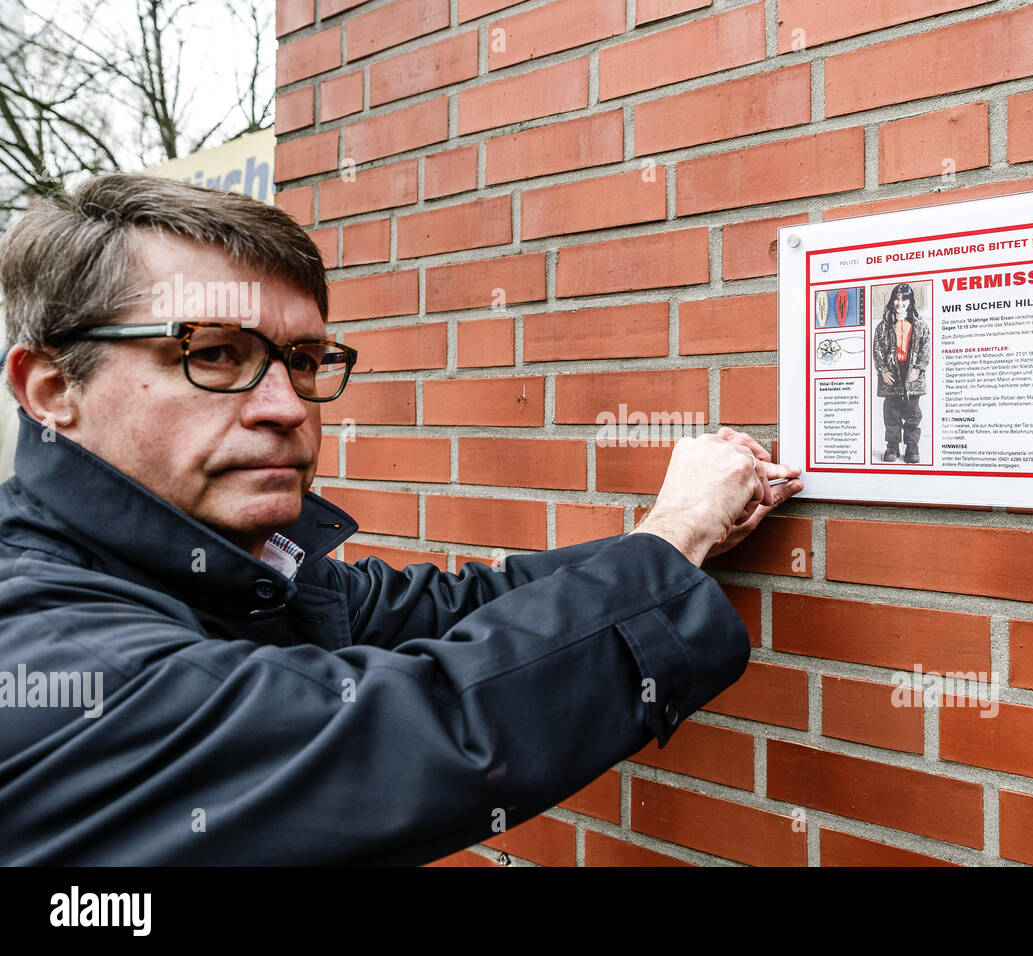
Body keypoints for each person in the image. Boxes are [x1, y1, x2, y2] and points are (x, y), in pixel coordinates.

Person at [0, 173, 802, 865]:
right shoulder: (47, 648)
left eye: (306, 362)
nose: (286, 407)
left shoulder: (230, 572)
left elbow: (456, 611)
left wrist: (671, 539)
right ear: (51, 390)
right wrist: (670, 541)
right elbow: (409, 730)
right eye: (213, 353)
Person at [871, 283, 930, 464]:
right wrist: (883, 370)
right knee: (891, 411)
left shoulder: (920, 326)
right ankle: (892, 444)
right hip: (892, 373)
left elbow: (925, 348)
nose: (900, 302)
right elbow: (877, 349)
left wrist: (918, 368)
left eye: (904, 299)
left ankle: (912, 444)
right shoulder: (883, 326)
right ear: (892, 301)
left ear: (910, 301)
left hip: (911, 372)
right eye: (897, 299)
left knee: (912, 412)